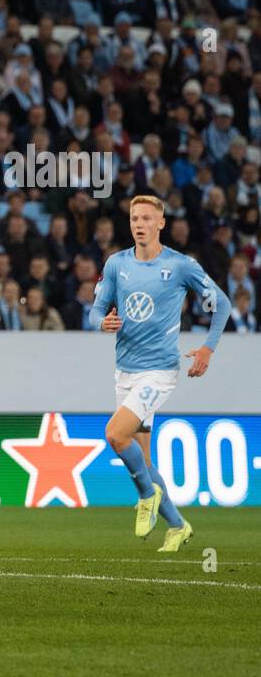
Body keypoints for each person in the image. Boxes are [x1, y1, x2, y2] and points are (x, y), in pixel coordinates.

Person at [92, 195, 226, 552]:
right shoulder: (116, 264)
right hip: (126, 373)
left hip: (159, 373)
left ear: (161, 223)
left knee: (114, 435)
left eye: (147, 218)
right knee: (144, 461)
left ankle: (146, 497)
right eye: (135, 217)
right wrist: (101, 322)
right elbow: (95, 310)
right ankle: (178, 526)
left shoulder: (181, 266)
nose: (139, 224)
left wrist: (207, 348)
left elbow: (221, 303)